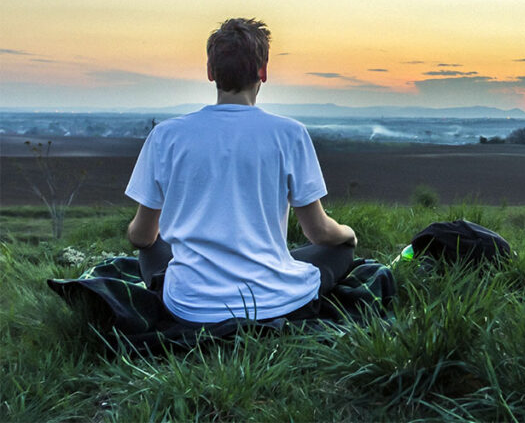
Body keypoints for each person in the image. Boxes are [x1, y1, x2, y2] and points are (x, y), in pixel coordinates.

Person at [124, 17, 356, 326]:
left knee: (152, 247)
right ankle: (276, 274)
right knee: (338, 251)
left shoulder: (166, 135)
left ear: (210, 72)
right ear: (263, 72)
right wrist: (349, 235)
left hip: (190, 306)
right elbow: (319, 233)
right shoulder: (290, 134)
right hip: (274, 301)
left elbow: (140, 237)